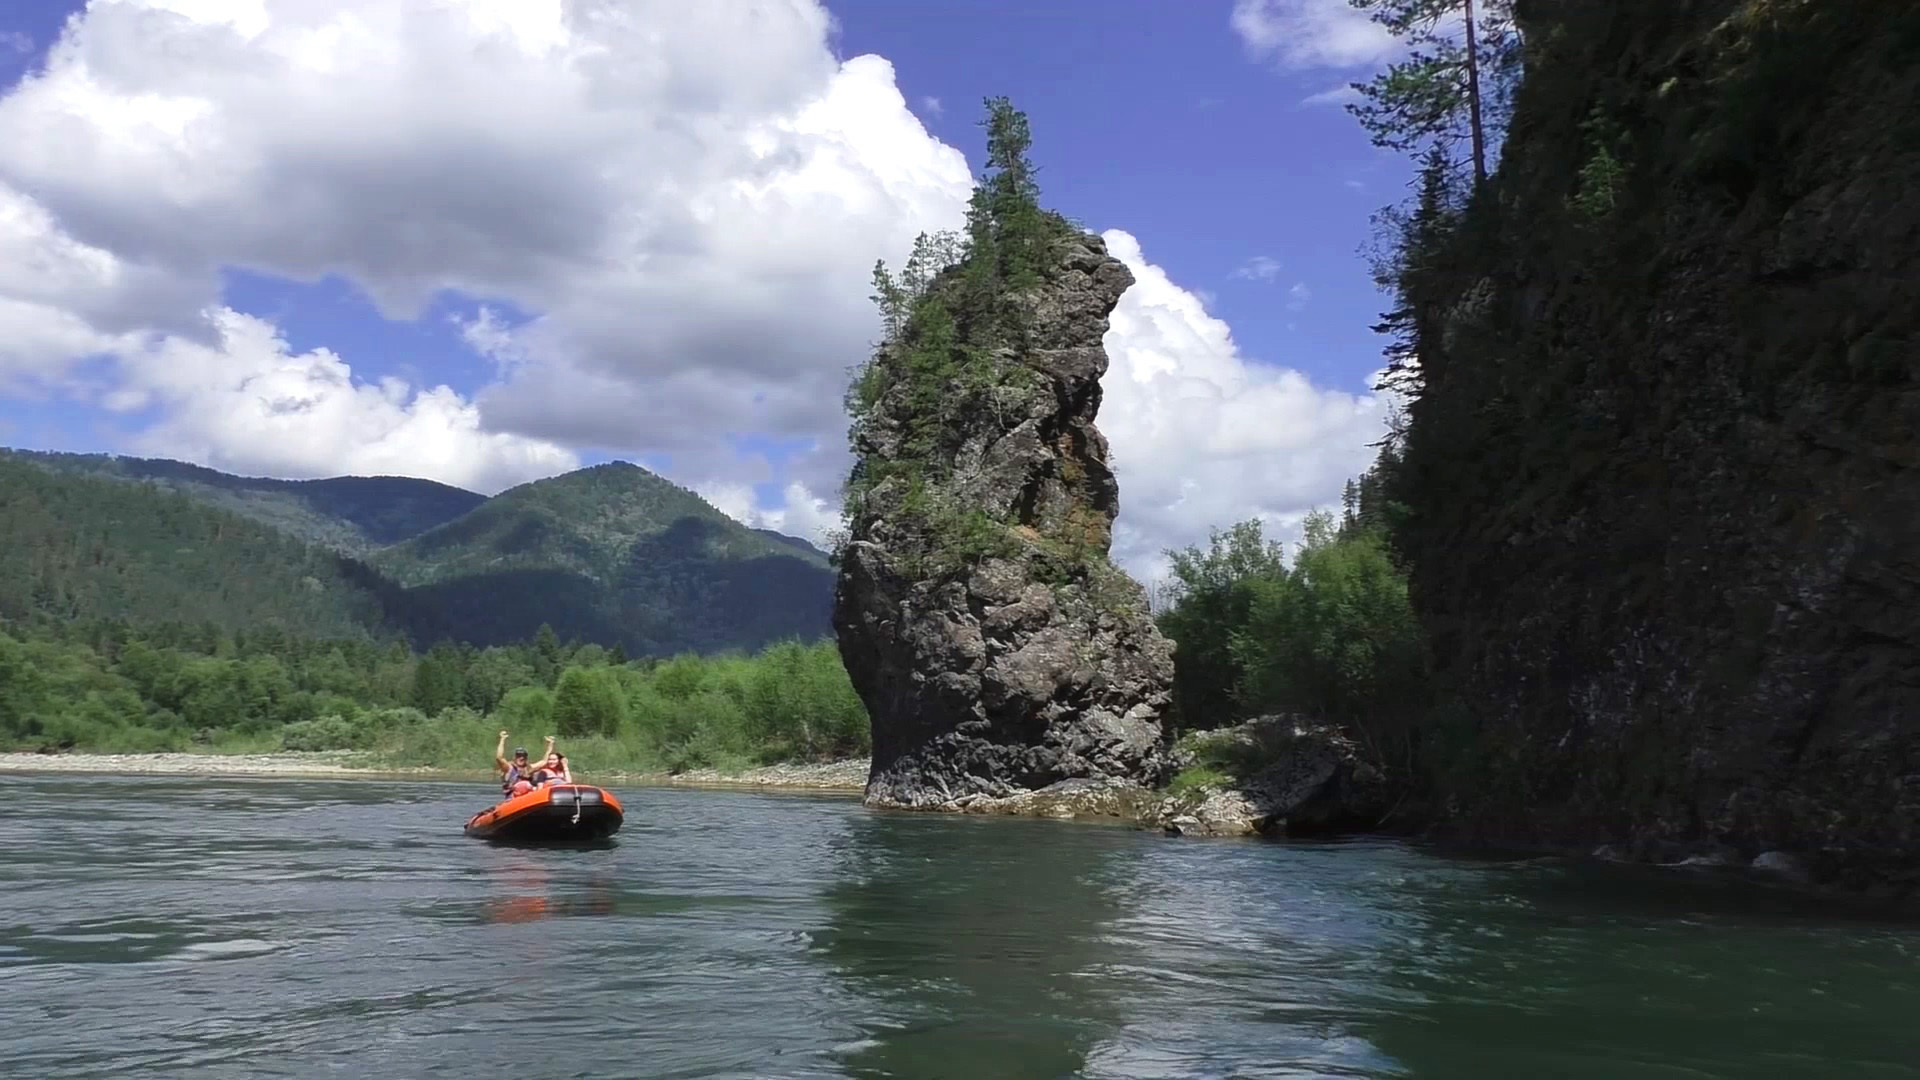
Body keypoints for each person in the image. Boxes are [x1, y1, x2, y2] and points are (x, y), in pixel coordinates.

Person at [494, 732, 554, 797]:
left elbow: (544, 762)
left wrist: (550, 744)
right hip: (513, 798)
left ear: (526, 757)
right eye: (519, 756)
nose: (521, 758)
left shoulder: (529, 768)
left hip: (527, 796)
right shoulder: (508, 768)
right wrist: (502, 739)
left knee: (547, 784)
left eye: (523, 756)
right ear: (514, 757)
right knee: (524, 784)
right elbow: (499, 757)